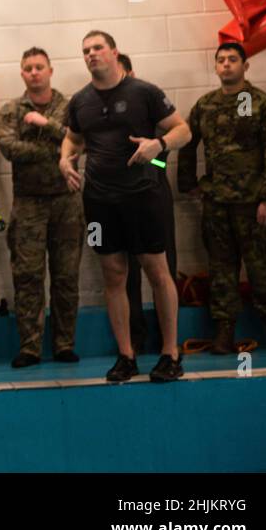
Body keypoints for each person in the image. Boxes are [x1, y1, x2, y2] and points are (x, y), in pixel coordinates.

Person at [60, 31, 190, 383]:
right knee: (113, 275)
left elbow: (184, 131)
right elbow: (72, 138)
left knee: (156, 272)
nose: (91, 54)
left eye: (97, 48)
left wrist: (159, 144)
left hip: (143, 196)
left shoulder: (143, 92)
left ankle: (170, 354)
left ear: (114, 52)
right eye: (85, 50)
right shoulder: (80, 101)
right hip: (99, 202)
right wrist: (64, 160)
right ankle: (126, 356)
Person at [179, 43, 266, 353]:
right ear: (215, 68)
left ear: (245, 65)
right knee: (221, 271)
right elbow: (186, 143)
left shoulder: (264, 104)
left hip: (255, 206)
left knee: (263, 270)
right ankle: (224, 332)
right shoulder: (205, 105)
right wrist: (189, 184)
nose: (226, 65)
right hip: (217, 205)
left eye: (232, 60)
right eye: (221, 61)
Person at [0, 48, 82, 368]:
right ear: (22, 74)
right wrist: (56, 149)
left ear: (50, 70)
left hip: (66, 201)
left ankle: (63, 344)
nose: (34, 72)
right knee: (28, 277)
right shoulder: (11, 111)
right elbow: (8, 148)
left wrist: (46, 124)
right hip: (28, 203)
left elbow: (80, 142)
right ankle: (30, 347)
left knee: (66, 277)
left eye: (39, 67)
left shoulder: (71, 107)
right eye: (28, 68)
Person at [117, 53, 176, 353]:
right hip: (119, 197)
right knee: (126, 270)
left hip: (155, 190)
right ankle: (135, 338)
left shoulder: (152, 107)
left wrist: (151, 160)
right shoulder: (106, 114)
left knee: (164, 265)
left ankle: (168, 343)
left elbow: (168, 157)